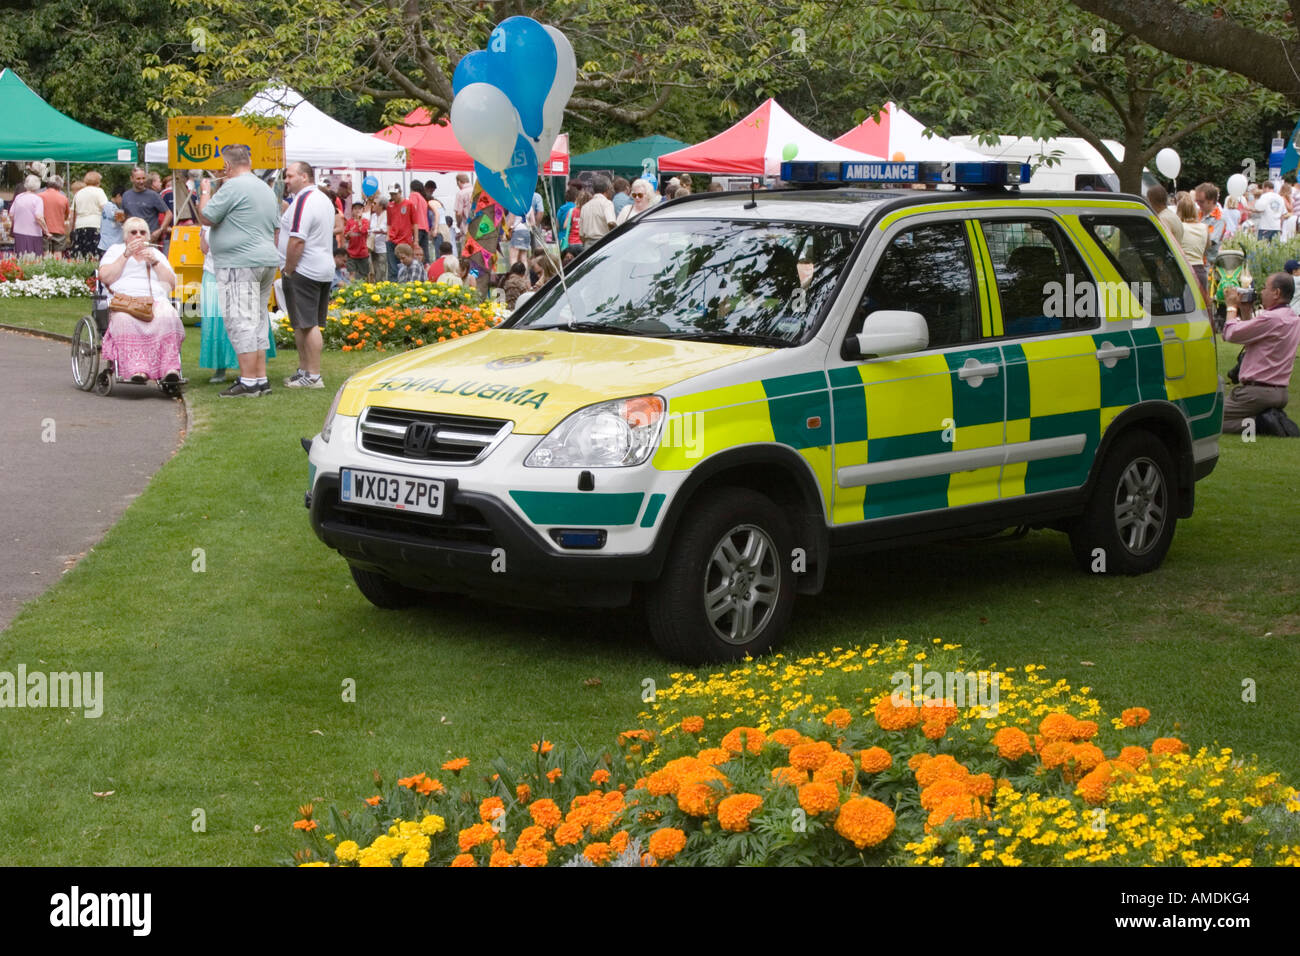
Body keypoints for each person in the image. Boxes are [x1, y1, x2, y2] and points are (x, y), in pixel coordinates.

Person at [198, 144, 281, 398]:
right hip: (266, 259)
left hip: (239, 262)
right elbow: (276, 229)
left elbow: (206, 216)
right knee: (257, 319)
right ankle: (260, 378)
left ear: (228, 165)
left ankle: (248, 381)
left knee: (240, 320)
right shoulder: (265, 189)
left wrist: (205, 191)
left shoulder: (234, 186)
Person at [96, 217, 184, 383]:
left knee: (169, 315)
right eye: (133, 232)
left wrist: (155, 262)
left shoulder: (156, 253)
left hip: (154, 300)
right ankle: (137, 369)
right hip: (125, 302)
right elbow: (105, 277)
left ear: (148, 237)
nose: (138, 236)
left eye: (142, 232)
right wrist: (126, 255)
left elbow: (171, 284)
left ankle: (169, 369)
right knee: (123, 319)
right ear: (125, 237)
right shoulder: (116, 250)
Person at [277, 161, 336, 389]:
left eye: (290, 176)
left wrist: (289, 268)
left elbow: (297, 238)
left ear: (304, 176)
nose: (286, 180)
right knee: (301, 323)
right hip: (320, 266)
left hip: (304, 268)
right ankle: (304, 371)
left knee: (308, 324)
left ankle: (312, 375)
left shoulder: (305, 199)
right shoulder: (322, 198)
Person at [1221, 273, 1300, 432]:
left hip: (1256, 394)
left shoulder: (1271, 318)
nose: (1260, 292)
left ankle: (1261, 424)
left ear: (1276, 293)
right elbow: (1251, 336)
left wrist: (1231, 307)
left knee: (1209, 421)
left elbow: (1231, 334)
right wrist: (1245, 312)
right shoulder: (1292, 318)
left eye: (1264, 288)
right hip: (1279, 393)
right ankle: (1270, 418)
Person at [122, 168, 171, 245]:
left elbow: (169, 213)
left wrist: (160, 230)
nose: (141, 181)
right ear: (131, 179)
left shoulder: (153, 195)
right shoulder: (126, 195)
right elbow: (125, 216)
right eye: (138, 179)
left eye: (143, 178)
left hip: (149, 240)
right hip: (131, 240)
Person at [1176, 195, 1209, 296]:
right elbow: (1207, 247)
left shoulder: (1179, 227)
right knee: (1202, 308)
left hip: (1183, 270)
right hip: (1200, 271)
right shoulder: (1204, 227)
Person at [70, 170, 108, 258]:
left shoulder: (78, 193)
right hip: (95, 225)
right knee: (95, 254)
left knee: (81, 255)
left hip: (80, 226)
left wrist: (72, 230)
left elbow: (72, 214)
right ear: (98, 182)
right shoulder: (99, 191)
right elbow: (105, 209)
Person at [9, 175, 46, 255]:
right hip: (34, 233)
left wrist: (18, 222)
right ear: (37, 186)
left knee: (21, 258)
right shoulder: (37, 199)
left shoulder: (18, 197)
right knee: (34, 259)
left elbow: (11, 214)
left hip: (19, 233)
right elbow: (39, 217)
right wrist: (46, 230)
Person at [386, 183, 416, 280]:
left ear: (400, 192)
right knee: (392, 268)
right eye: (391, 195)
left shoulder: (409, 204)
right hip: (392, 239)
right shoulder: (390, 206)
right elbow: (389, 223)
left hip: (404, 240)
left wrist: (416, 240)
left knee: (404, 265)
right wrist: (388, 236)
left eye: (394, 194)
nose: (393, 197)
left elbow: (415, 222)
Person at [579, 175, 616, 246]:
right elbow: (611, 223)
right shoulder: (607, 203)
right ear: (607, 189)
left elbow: (581, 234)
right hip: (603, 242)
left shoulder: (585, 207)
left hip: (588, 244)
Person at [1194, 182, 1226, 260]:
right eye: (1196, 201)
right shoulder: (1197, 213)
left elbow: (1210, 242)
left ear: (1211, 200)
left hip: (1207, 263)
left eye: (1201, 201)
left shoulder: (1219, 218)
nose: (1198, 204)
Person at [41, 176, 70, 256]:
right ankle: (57, 268)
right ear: (60, 186)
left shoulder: (40, 196)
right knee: (58, 253)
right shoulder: (64, 198)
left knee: (45, 252)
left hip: (43, 229)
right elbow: (67, 215)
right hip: (59, 229)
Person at [344, 202, 369, 279]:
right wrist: (348, 234)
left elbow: (363, 231)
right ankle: (352, 289)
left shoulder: (365, 221)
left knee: (364, 275)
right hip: (351, 253)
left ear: (363, 210)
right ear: (352, 210)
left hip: (362, 253)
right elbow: (346, 236)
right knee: (352, 274)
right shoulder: (349, 222)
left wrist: (359, 221)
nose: (357, 210)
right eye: (355, 208)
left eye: (359, 208)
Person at [408, 180, 430, 263]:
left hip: (416, 227)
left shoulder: (413, 195)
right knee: (424, 253)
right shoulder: (423, 199)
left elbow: (412, 209)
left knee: (414, 252)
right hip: (425, 227)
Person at [368, 195, 388, 281]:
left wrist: (379, 231)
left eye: (375, 203)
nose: (373, 205)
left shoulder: (387, 215)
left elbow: (389, 229)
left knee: (382, 272)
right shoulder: (373, 216)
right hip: (373, 248)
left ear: (381, 206)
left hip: (383, 248)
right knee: (374, 273)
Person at [453, 172, 472, 244]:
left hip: (467, 229)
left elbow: (459, 213)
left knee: (467, 253)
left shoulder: (461, 193)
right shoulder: (477, 191)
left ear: (459, 182)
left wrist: (458, 224)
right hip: (481, 228)